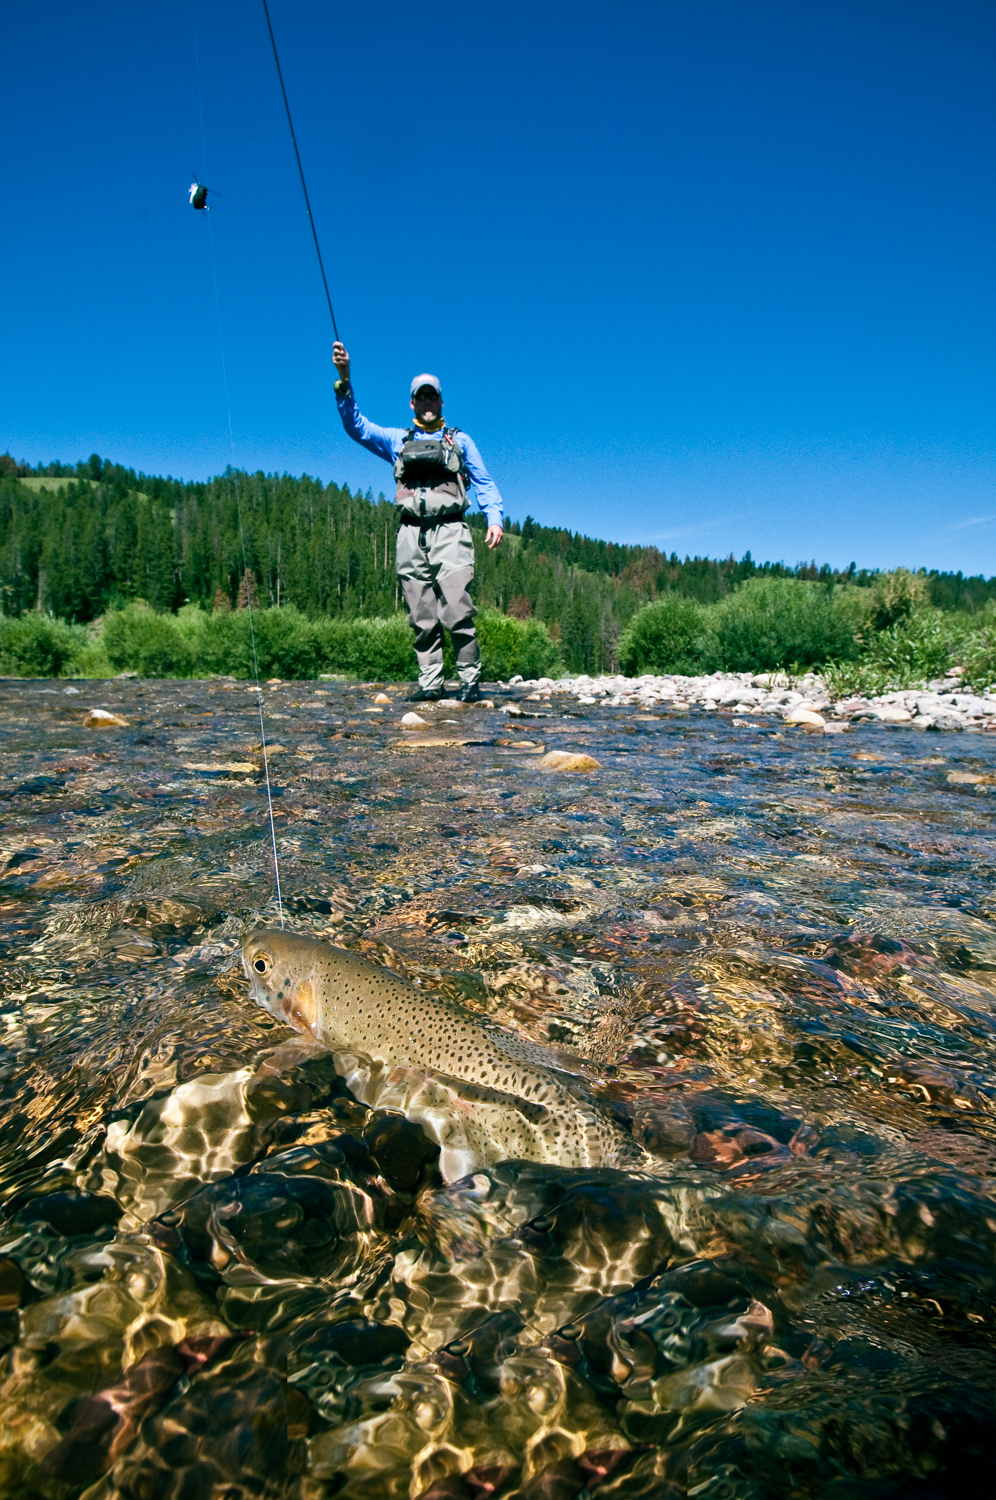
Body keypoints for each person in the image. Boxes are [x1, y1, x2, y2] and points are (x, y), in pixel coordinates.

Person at [332, 342, 503, 702]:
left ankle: (470, 682)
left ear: (441, 402)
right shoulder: (397, 440)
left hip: (451, 531)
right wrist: (345, 380)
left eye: (432, 397)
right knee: (421, 614)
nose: (426, 403)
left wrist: (494, 518)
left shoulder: (460, 441)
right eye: (420, 398)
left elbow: (484, 482)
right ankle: (431, 684)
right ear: (412, 403)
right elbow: (356, 427)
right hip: (409, 534)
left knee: (457, 608)